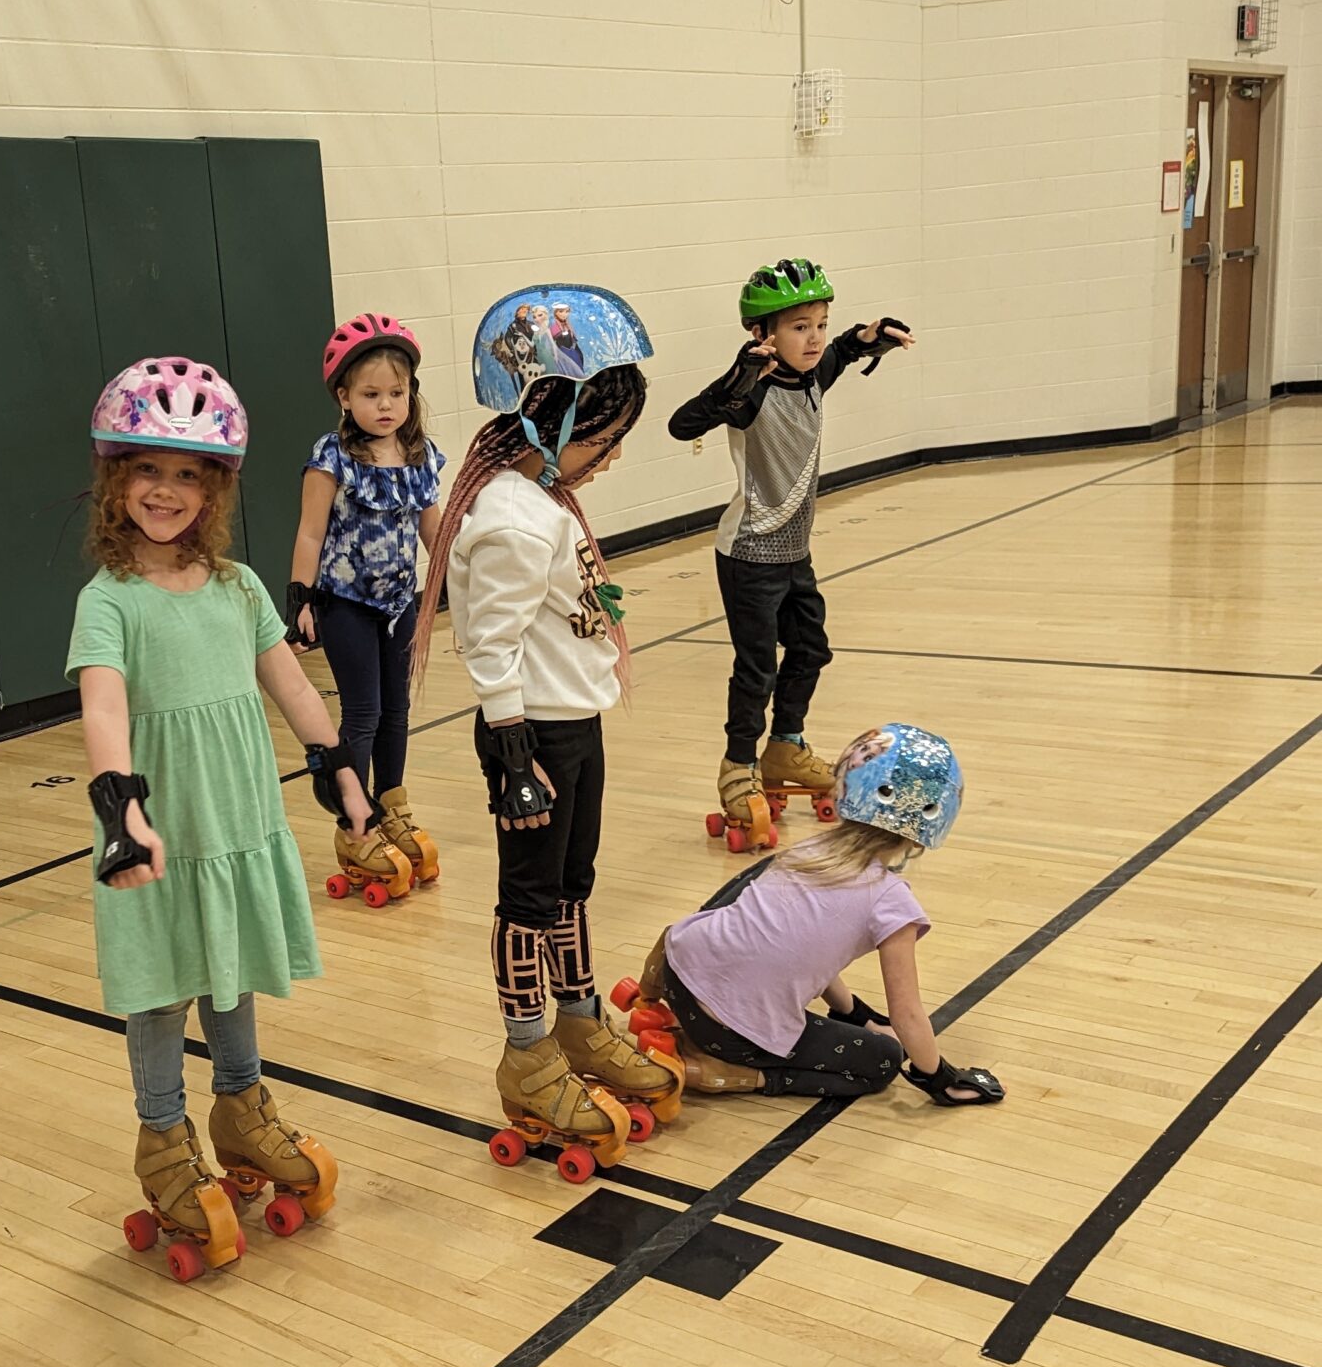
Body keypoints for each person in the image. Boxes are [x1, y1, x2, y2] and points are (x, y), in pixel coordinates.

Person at [67, 357, 374, 1279]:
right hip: (159, 833)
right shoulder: (108, 598)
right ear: (116, 479)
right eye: (147, 471)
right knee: (163, 989)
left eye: (188, 475)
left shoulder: (238, 586)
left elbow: (287, 680)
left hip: (235, 825)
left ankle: (240, 1108)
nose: (166, 492)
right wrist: (121, 809)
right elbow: (104, 707)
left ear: (216, 489)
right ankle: (163, 1138)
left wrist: (335, 765)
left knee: (230, 972)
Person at [412, 285, 682, 1164]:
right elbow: (486, 647)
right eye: (603, 443)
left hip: (573, 720)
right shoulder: (514, 523)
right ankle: (527, 1054)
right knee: (529, 899)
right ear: (557, 422)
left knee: (572, 882)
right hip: (533, 734)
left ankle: (576, 1021)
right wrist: (517, 756)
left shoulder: (543, 503)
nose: (606, 462)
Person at [617, 724, 1004, 1105]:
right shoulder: (892, 902)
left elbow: (803, 945)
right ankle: (723, 1074)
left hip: (678, 974)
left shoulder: (808, 850)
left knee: (753, 893)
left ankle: (649, 989)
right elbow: (907, 1014)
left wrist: (853, 1012)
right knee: (884, 1060)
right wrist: (940, 1078)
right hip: (728, 1035)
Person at [668, 259, 913, 849]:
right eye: (800, 327)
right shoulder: (749, 394)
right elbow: (683, 424)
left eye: (820, 323)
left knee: (810, 648)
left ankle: (784, 747)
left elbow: (840, 356)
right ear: (763, 336)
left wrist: (864, 337)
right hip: (749, 552)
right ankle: (737, 766)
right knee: (756, 669)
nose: (814, 338)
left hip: (793, 552)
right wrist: (735, 378)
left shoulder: (811, 376)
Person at [285, 312, 445, 902]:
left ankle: (391, 803)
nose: (385, 405)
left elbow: (434, 528)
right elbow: (309, 532)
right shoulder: (333, 456)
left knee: (398, 710)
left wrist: (459, 581)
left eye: (396, 393)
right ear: (344, 397)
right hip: (346, 601)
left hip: (399, 603)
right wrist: (301, 598)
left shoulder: (420, 454)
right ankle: (355, 824)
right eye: (371, 394)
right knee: (365, 714)